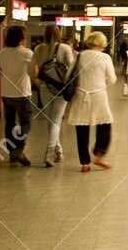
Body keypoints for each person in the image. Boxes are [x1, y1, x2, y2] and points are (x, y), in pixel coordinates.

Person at [65, 31, 116, 171]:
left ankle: (85, 163)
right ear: (101, 43)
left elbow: (69, 75)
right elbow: (112, 79)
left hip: (81, 95)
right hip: (99, 95)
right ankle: (99, 155)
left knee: (82, 128)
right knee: (105, 125)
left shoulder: (79, 56)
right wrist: (101, 83)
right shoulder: (105, 58)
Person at [32, 26, 75, 167]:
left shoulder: (39, 49)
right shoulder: (65, 48)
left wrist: (37, 82)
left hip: (44, 88)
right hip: (60, 90)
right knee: (56, 121)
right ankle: (50, 152)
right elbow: (72, 68)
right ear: (59, 34)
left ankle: (58, 151)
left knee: (50, 121)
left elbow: (31, 68)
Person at [0, 24, 34, 166]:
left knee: (10, 124)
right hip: (23, 93)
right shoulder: (27, 53)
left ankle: (12, 153)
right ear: (21, 38)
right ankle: (19, 149)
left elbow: (1, 69)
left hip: (6, 93)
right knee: (26, 122)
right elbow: (33, 70)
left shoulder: (1, 53)